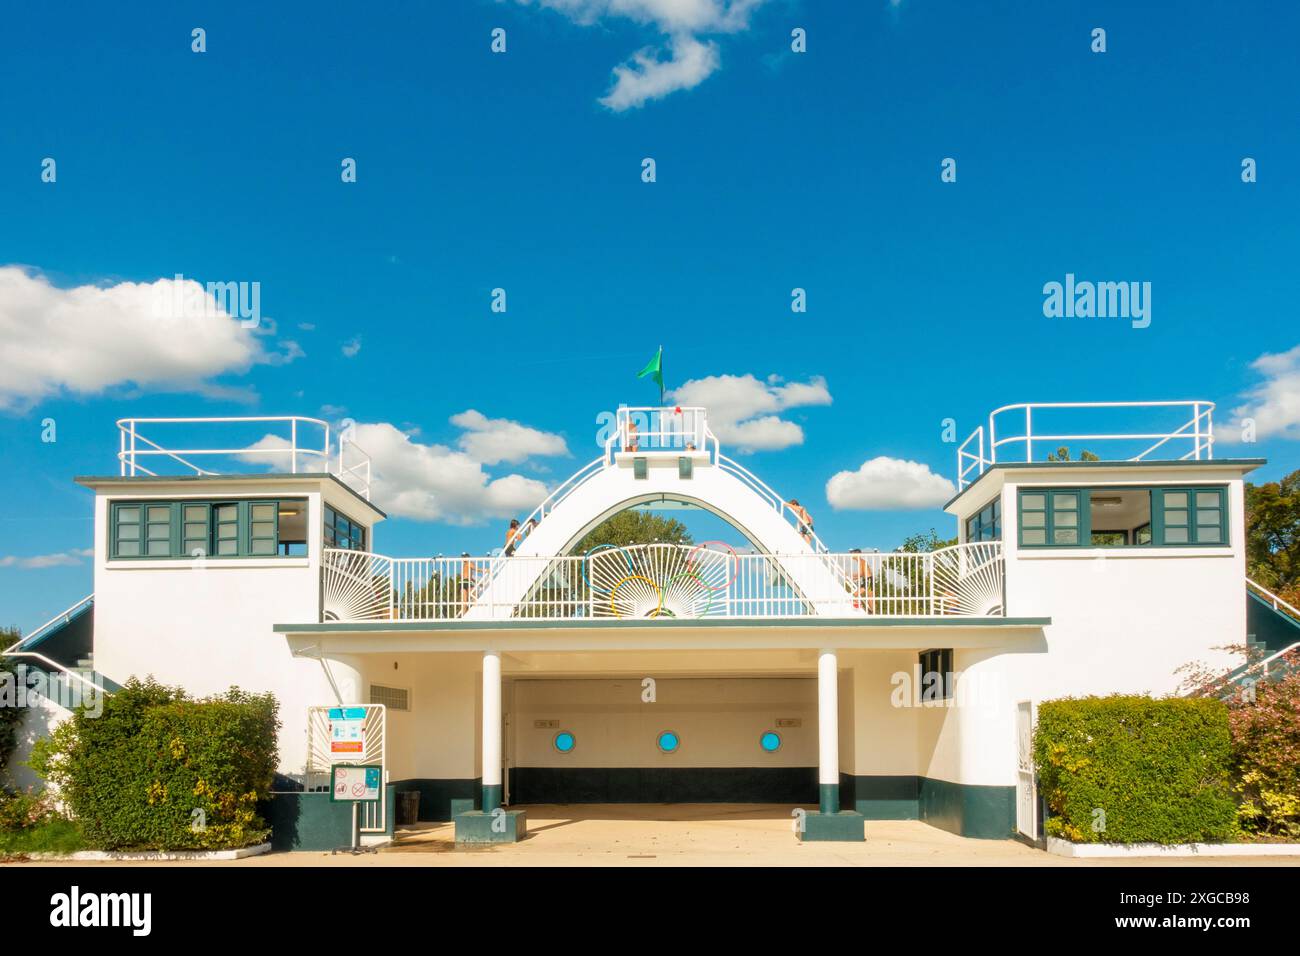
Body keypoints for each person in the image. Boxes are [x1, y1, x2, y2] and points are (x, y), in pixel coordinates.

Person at [849, 548, 874, 613]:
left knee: (869, 599)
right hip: (867, 580)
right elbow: (861, 574)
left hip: (868, 580)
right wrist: (852, 577)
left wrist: (852, 577)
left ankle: (873, 612)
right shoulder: (860, 561)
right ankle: (869, 610)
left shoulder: (861, 561)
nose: (851, 555)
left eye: (852, 554)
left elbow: (861, 573)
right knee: (856, 595)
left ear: (857, 554)